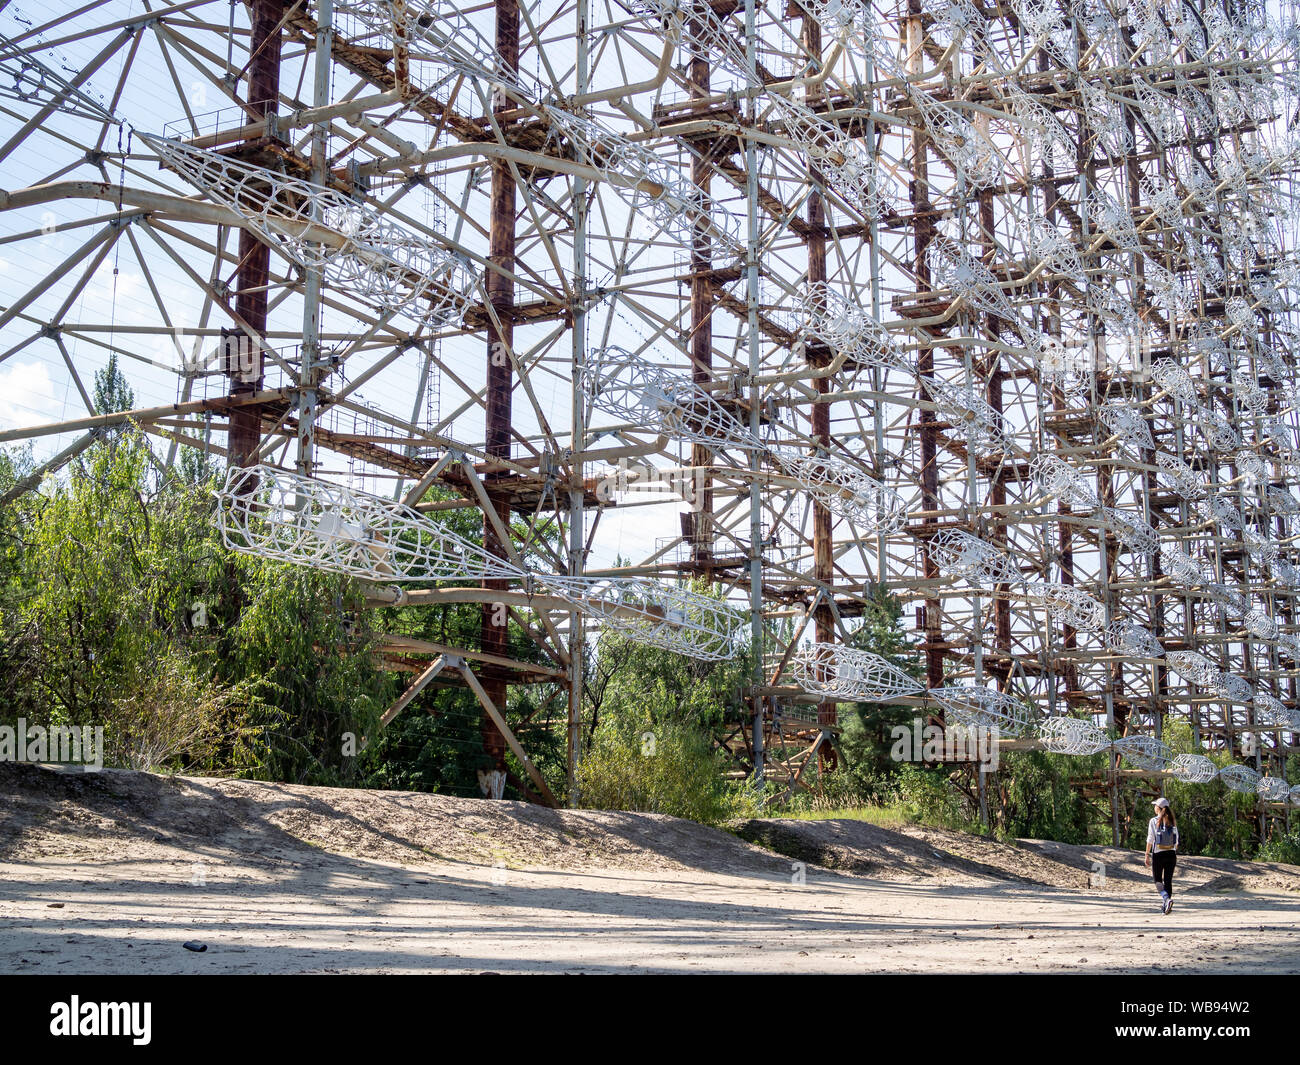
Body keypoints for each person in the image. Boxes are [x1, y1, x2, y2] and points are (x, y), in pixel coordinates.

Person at [1144, 797, 1180, 914]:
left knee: (1158, 881)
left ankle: (1166, 899)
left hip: (1158, 855)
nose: (1154, 807)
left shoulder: (1154, 821)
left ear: (1158, 808)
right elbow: (1176, 841)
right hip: (1171, 854)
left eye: (1155, 806)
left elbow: (1150, 839)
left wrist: (1147, 854)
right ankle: (1166, 906)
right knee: (1168, 881)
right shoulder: (1172, 821)